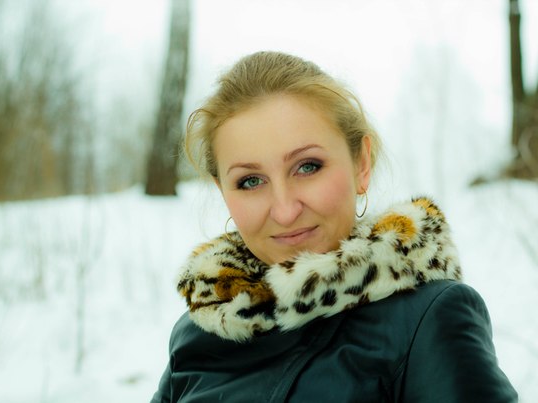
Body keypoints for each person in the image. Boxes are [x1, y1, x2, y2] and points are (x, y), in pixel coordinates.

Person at [151, 51, 517, 402]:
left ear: (361, 164)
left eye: (307, 167)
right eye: (250, 181)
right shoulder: (199, 332)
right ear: (223, 192)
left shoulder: (426, 320)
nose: (285, 211)